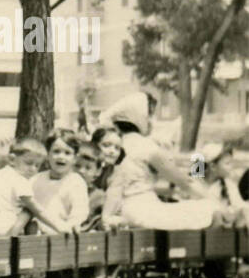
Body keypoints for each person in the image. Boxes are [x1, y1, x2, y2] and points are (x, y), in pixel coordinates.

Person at [103, 92, 213, 230]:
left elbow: (175, 160)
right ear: (139, 117)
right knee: (209, 209)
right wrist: (212, 200)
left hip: (125, 209)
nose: (151, 121)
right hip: (144, 210)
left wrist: (198, 159)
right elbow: (183, 181)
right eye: (150, 115)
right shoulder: (145, 145)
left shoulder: (117, 144)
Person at [0, 138, 71, 236]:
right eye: (29, 163)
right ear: (12, 159)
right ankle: (16, 239)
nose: (33, 169)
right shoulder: (20, 180)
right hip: (5, 229)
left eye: (37, 166)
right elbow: (38, 210)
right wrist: (60, 227)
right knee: (29, 210)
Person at [29, 129, 90, 233]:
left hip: (62, 233)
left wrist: (71, 225)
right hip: (36, 233)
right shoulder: (35, 180)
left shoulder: (76, 182)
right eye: (56, 151)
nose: (61, 157)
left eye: (67, 153)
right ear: (48, 155)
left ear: (75, 158)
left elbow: (80, 211)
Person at [201, 142, 248, 228]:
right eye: (227, 163)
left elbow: (239, 206)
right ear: (213, 166)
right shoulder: (197, 185)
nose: (231, 167)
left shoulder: (229, 185)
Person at [74, 142, 106, 230]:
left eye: (88, 168)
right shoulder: (61, 189)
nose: (81, 171)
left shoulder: (98, 197)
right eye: (77, 166)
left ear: (98, 172)